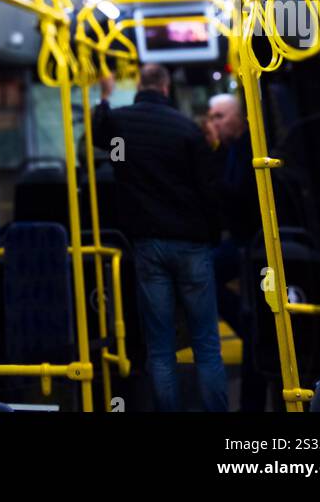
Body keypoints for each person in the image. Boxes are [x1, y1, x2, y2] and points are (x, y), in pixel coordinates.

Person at [95, 63, 228, 412]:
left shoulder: (121, 122)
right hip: (192, 243)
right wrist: (213, 235)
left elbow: (98, 136)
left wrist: (105, 96)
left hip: (148, 244)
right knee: (206, 344)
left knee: (160, 346)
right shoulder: (186, 129)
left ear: (140, 84)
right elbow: (208, 189)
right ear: (166, 88)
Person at [207, 93, 265, 412]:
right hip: (240, 241)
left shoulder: (249, 151)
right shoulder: (227, 150)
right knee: (204, 275)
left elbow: (238, 196)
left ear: (240, 119)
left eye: (220, 117)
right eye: (211, 117)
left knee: (257, 325)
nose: (213, 122)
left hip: (256, 243)